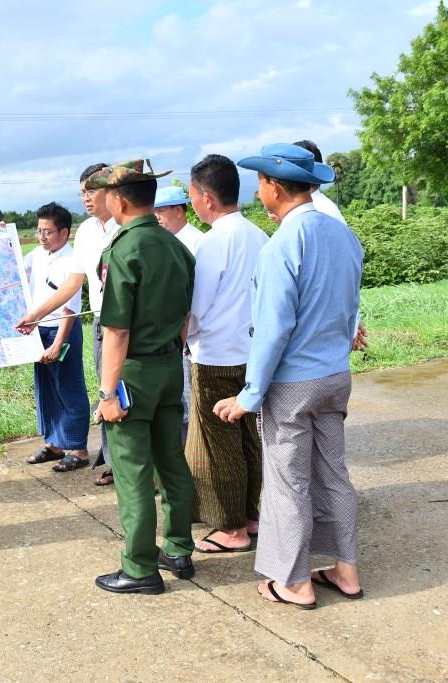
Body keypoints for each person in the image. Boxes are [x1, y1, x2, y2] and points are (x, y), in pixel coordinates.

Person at [216, 143, 364, 609]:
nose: (258, 192)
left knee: (287, 483)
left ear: (275, 186)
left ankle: (294, 582)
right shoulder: (344, 236)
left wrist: (250, 393)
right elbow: (350, 305)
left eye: (260, 183)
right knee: (333, 475)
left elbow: (274, 326)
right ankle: (346, 570)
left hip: (293, 383)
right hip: (335, 374)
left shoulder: (283, 244)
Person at [88, 159, 197, 595]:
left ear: (118, 199)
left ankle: (139, 567)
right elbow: (187, 316)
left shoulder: (122, 250)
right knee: (172, 459)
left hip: (132, 372)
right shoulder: (178, 247)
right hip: (171, 366)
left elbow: (116, 329)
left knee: (133, 471)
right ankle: (179, 548)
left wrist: (107, 391)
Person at [185, 154, 269, 554]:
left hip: (217, 356)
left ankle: (232, 528)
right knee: (250, 437)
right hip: (255, 353)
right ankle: (252, 516)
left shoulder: (213, 241)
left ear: (206, 197)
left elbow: (197, 307)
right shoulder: (260, 236)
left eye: (191, 196)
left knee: (220, 444)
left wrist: (185, 338)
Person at [16, 163, 120, 486]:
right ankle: (108, 459)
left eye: (92, 190)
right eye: (82, 192)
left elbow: (71, 298)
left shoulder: (125, 226)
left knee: (106, 391)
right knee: (103, 391)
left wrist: (55, 336)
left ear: (112, 189)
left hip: (122, 321)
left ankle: (92, 451)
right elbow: (75, 283)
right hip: (102, 321)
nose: (86, 197)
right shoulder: (89, 231)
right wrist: (34, 317)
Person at [22, 202, 91, 472]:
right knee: (46, 388)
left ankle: (79, 448)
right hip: (38, 330)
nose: (41, 237)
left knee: (68, 387)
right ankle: (54, 443)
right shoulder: (36, 256)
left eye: (47, 232)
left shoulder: (72, 261)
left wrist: (58, 342)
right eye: (39, 231)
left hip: (61, 330)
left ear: (64, 233)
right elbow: (13, 266)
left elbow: (69, 308)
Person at [293, 139, 368, 351]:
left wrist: (351, 324)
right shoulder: (322, 208)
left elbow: (342, 271)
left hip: (319, 330)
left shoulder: (315, 212)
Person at [155, 184, 206, 445]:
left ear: (179, 210)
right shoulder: (165, 241)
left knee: (188, 402)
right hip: (171, 335)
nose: (157, 218)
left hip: (189, 335)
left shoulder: (196, 242)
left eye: (161, 211)